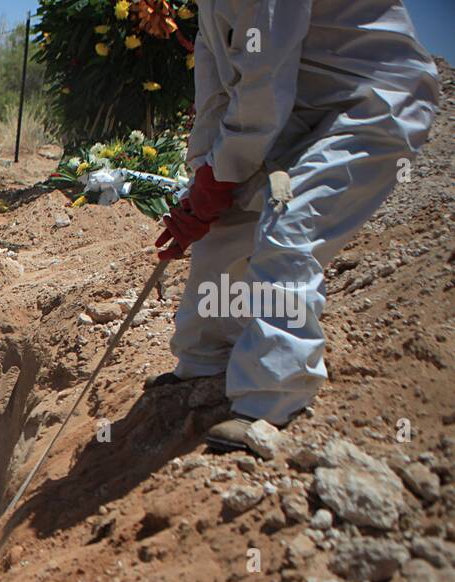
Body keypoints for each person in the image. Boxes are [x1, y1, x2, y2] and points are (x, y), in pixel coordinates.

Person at [150, 0, 437, 453]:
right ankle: (203, 367)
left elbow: (263, 84)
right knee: (225, 225)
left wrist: (219, 174)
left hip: (367, 101)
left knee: (290, 223)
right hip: (294, 108)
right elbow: (216, 97)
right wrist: (201, 184)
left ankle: (268, 402)